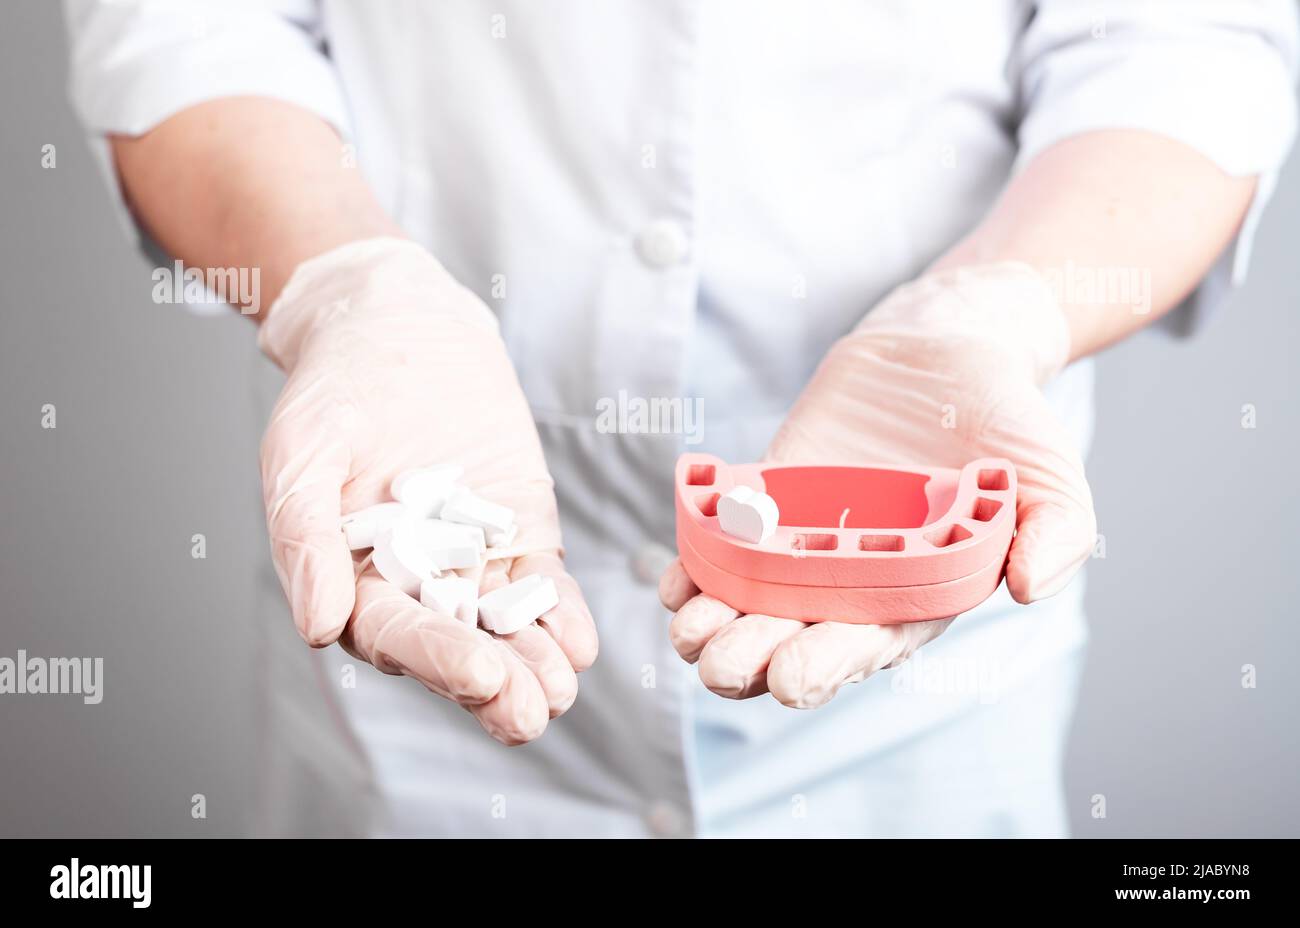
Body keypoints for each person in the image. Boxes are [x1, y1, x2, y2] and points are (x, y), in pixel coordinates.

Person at [64, 0, 1297, 837]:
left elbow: (1184, 39)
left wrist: (996, 313)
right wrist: (340, 286)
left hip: (926, 671)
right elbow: (184, 23)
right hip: (410, 658)